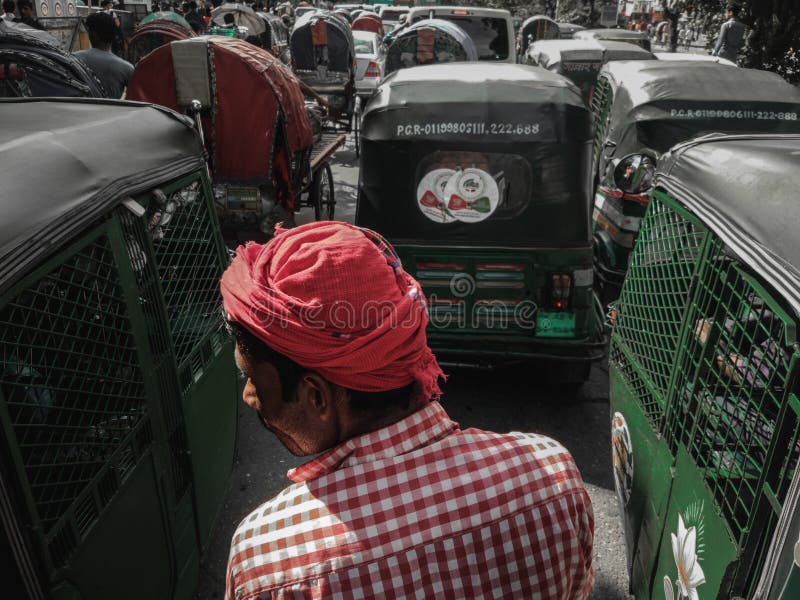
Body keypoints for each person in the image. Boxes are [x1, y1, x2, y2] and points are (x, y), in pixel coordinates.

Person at [220, 222, 595, 600]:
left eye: (251, 378)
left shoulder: (267, 564)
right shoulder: (553, 477)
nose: (250, 398)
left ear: (316, 397)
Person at [73, 12, 133, 98]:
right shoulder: (127, 68)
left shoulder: (73, 58)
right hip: (113, 111)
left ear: (92, 34)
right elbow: (135, 100)